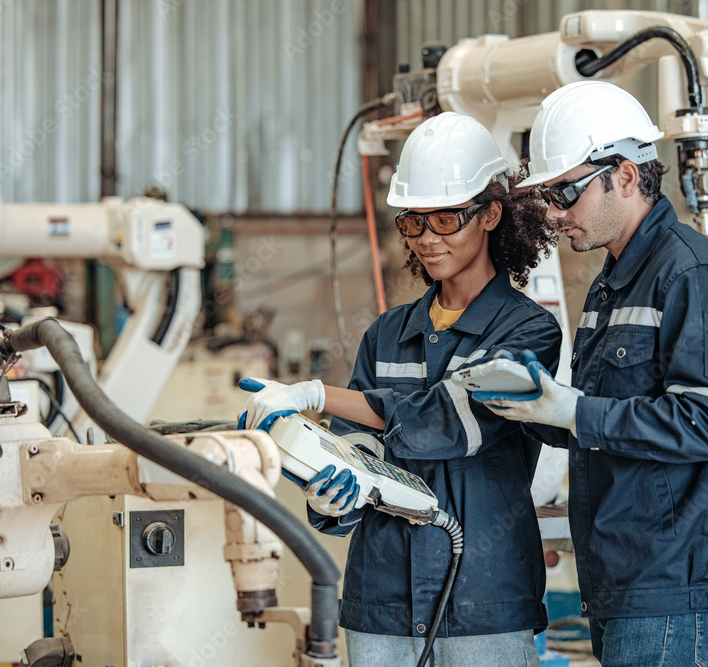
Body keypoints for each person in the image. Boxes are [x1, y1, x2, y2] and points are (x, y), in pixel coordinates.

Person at [238, 111, 562, 666]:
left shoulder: (530, 330)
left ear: (490, 214)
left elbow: (452, 416)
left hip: (484, 601)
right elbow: (357, 448)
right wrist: (333, 492)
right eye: (413, 222)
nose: (427, 239)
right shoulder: (388, 332)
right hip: (381, 602)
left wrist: (318, 394)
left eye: (445, 219)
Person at [476, 81, 708, 667]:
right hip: (622, 573)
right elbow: (607, 422)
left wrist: (574, 411)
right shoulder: (612, 281)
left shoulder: (695, 274)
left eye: (566, 193)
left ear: (626, 176)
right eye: (547, 197)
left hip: (671, 580)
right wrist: (536, 408)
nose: (553, 216)